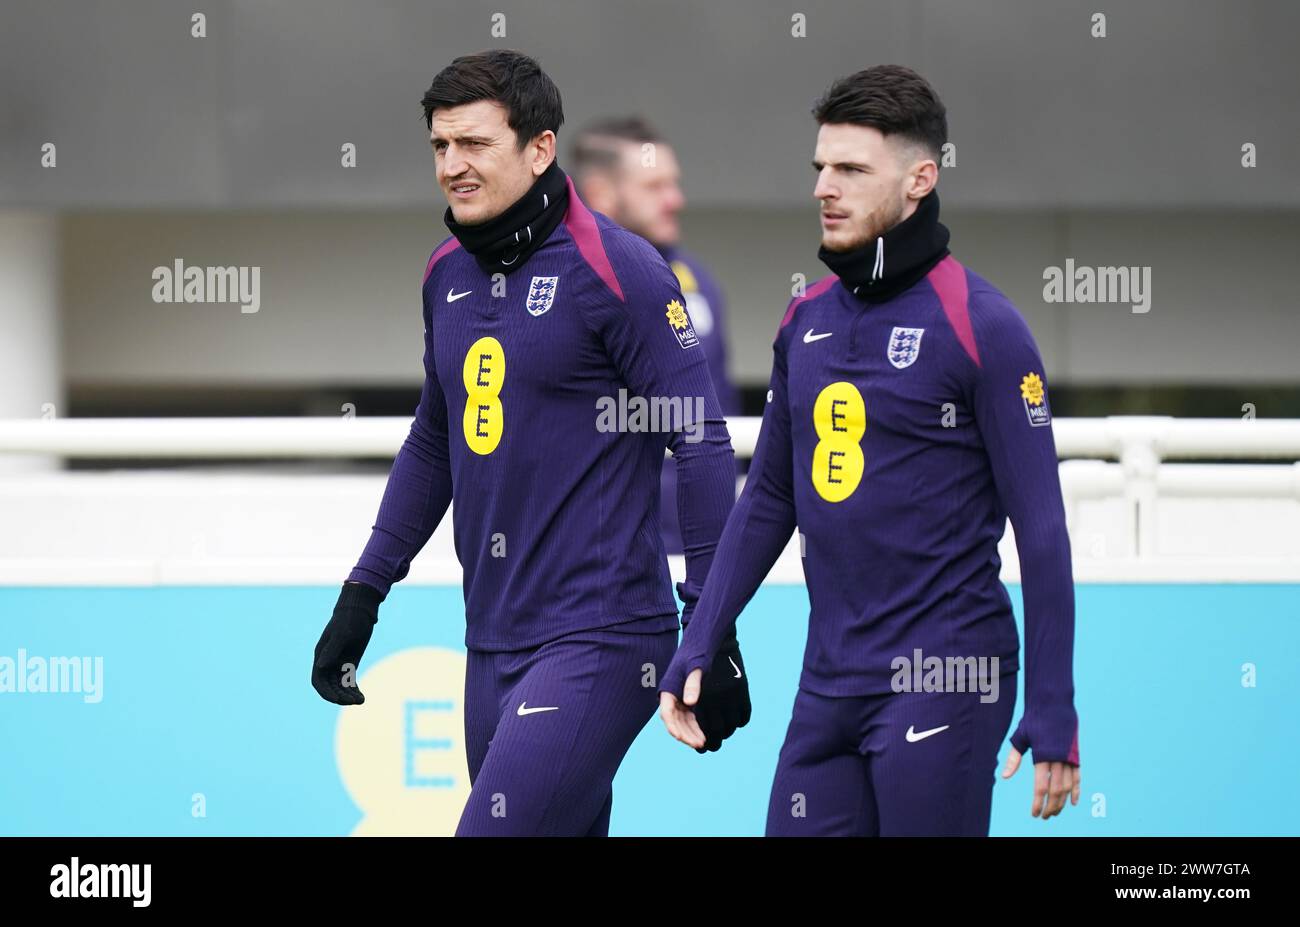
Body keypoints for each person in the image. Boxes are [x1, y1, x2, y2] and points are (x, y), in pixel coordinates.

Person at [310, 49, 746, 836]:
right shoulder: (445, 271)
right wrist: (364, 592)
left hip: (604, 635)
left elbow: (703, 440)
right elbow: (433, 441)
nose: (452, 166)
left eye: (474, 144)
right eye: (441, 146)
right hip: (489, 639)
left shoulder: (620, 268)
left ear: (540, 148)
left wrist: (712, 627)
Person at [658, 64, 1080, 836]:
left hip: (947, 678)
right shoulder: (804, 319)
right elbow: (770, 500)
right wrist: (701, 638)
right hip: (828, 685)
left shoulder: (983, 325)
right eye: (820, 167)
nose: (826, 186)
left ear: (921, 178)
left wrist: (1053, 705)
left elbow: (1044, 529)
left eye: (852, 169)